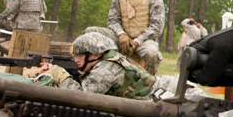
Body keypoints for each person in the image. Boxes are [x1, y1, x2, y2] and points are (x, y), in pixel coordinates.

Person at [41, 32, 174, 99]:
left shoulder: (107, 69)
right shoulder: (105, 60)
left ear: (94, 54)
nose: (75, 59)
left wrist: (61, 75)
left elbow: (81, 97)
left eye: (79, 55)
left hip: (167, 92)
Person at [103, 0, 165, 75]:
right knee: (92, 33)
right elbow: (112, 20)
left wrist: (137, 41)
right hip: (122, 38)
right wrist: (121, 34)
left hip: (144, 40)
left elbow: (156, 27)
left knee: (152, 54)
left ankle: (147, 84)